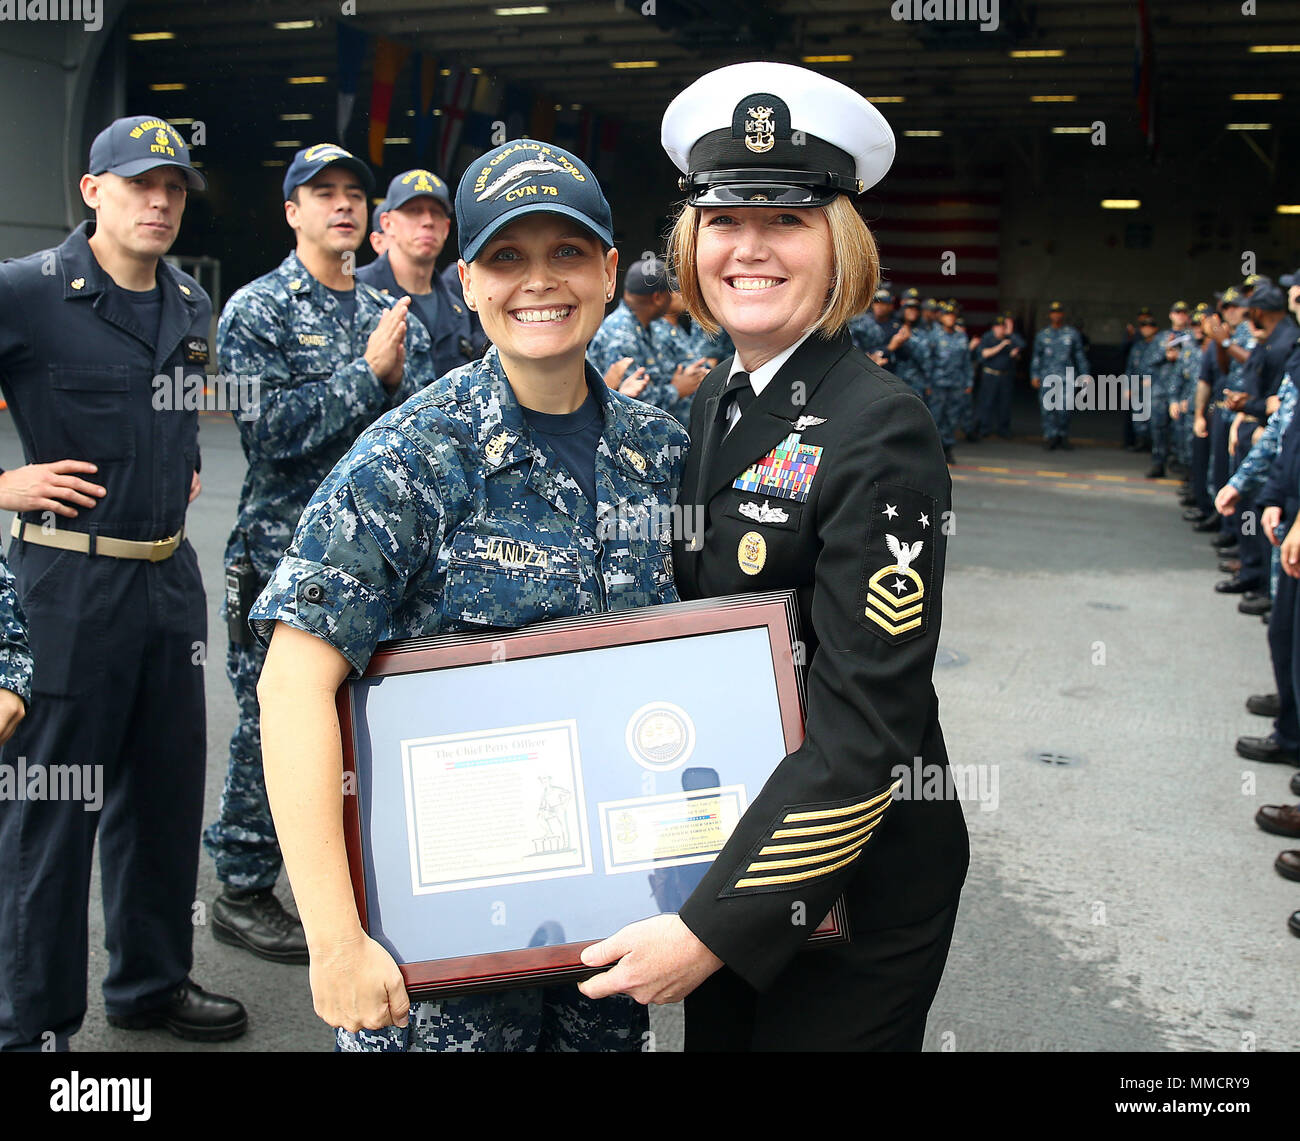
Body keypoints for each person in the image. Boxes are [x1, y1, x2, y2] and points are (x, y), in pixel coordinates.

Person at [249, 138, 690, 1051]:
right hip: (439, 966)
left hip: (605, 947)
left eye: (566, 252)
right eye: (506, 257)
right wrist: (334, 940)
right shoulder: (409, 457)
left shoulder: (660, 455)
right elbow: (292, 687)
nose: (539, 282)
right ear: (467, 281)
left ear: (609, 272)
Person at [578, 61, 969, 1052]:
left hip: (852, 884)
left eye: (785, 221)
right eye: (723, 220)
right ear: (690, 243)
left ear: (838, 244)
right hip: (737, 846)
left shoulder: (880, 429)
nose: (748, 248)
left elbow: (865, 730)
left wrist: (712, 927)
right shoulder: (719, 396)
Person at [0, 115, 246, 1049]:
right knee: (51, 813)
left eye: (175, 188)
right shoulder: (28, 293)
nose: (160, 201)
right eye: (141, 183)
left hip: (164, 582)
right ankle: (33, 1024)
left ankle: (148, 985)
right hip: (66, 587)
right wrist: (3, 485)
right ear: (92, 190)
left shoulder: (188, 303)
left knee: (163, 795)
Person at [202, 144, 436, 964]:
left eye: (353, 193)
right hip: (284, 559)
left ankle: (353, 881)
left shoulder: (384, 307)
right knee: (272, 723)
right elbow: (267, 430)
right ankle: (240, 881)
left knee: (367, 724)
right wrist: (367, 376)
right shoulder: (257, 308)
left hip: (380, 563)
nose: (340, 205)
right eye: (321, 192)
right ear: (292, 211)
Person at [357, 169, 481, 378]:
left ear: (446, 228)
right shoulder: (358, 291)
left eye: (436, 212)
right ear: (387, 224)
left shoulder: (458, 306)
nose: (428, 221)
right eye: (414, 211)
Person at [587, 256, 709, 422]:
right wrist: (677, 389)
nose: (673, 296)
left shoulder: (650, 326)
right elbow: (631, 403)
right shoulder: (621, 335)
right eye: (669, 292)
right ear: (657, 298)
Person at [1031, 301, 1090, 451]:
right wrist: (1034, 375)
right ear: (1049, 315)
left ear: (1062, 315)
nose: (1056, 315)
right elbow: (1037, 357)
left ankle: (1062, 435)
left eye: (1059, 312)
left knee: (1065, 409)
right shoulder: (1042, 335)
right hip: (1047, 378)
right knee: (1048, 409)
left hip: (1067, 378)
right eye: (1053, 312)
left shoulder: (1072, 334)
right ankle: (1051, 436)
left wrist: (1085, 375)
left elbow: (1079, 355)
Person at [928, 301, 974, 464]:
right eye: (947, 315)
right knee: (936, 417)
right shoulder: (934, 335)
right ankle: (935, 450)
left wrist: (969, 382)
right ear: (942, 317)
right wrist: (928, 383)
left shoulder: (961, 336)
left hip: (957, 383)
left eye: (953, 315)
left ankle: (947, 447)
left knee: (952, 417)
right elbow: (929, 361)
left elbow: (966, 361)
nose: (950, 318)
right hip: (938, 383)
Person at [975, 311, 1024, 439]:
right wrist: (1001, 346)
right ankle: (984, 428)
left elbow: (1022, 345)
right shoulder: (988, 338)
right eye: (998, 327)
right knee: (986, 402)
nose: (1000, 329)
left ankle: (1004, 429)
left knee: (1005, 404)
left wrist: (1010, 333)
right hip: (990, 374)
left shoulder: (1010, 338)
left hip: (1005, 375)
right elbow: (984, 354)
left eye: (1003, 327)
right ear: (993, 328)